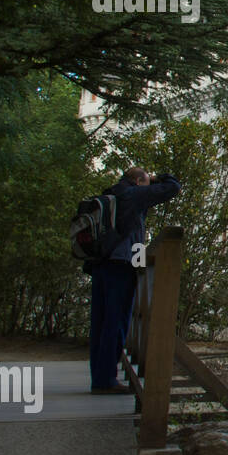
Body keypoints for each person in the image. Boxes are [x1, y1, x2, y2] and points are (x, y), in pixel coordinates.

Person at [87, 166, 181, 394]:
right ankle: (106, 380)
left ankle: (99, 377)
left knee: (100, 323)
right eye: (147, 182)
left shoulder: (111, 194)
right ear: (139, 181)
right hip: (121, 264)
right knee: (117, 322)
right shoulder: (133, 194)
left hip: (100, 263)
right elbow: (173, 187)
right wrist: (157, 176)